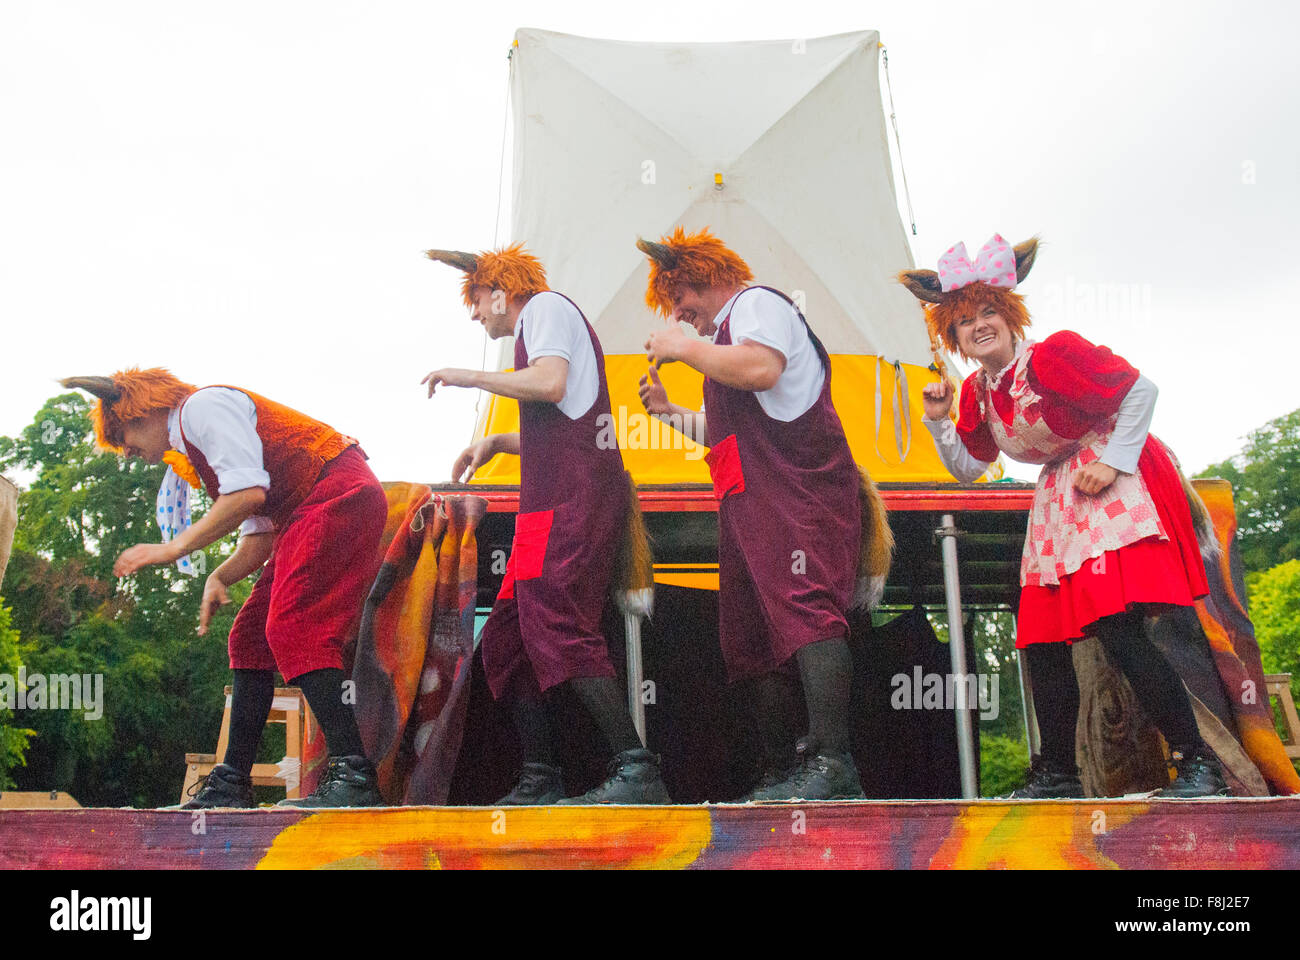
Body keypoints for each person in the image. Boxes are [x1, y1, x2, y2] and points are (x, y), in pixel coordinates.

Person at [901, 233, 1228, 798]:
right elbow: (970, 468)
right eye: (963, 321)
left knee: (1115, 625)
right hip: (1060, 493)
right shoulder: (978, 392)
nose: (979, 326)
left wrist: (1112, 461)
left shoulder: (1053, 355)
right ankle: (1056, 774)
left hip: (1113, 474)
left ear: (1008, 315)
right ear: (951, 336)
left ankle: (1198, 764)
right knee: (1043, 636)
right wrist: (937, 422)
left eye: (988, 312)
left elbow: (1140, 390)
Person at [638, 226, 889, 802]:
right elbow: (731, 430)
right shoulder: (725, 341)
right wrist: (672, 412)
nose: (683, 316)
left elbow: (762, 370)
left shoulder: (757, 305)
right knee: (752, 638)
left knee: (804, 613)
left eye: (682, 303)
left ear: (702, 278)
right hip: (748, 504)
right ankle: (779, 773)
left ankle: (832, 763)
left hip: (797, 497)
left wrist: (682, 346)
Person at [62, 369, 388, 808]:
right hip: (306, 511)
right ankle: (231, 785)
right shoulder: (197, 450)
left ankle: (355, 776)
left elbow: (247, 495)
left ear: (141, 410)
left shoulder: (202, 408)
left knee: (293, 628)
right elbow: (260, 531)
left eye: (124, 437)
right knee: (250, 637)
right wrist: (219, 576)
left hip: (337, 494)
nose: (130, 453)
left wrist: (172, 547)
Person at [423, 244, 670, 805]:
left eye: (478, 298)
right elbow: (560, 416)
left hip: (574, 501)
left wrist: (467, 377)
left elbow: (552, 384)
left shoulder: (546, 309)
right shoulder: (532, 328)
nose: (475, 312)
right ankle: (541, 776)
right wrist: (496, 442)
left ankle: (636, 768)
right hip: (543, 509)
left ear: (503, 292)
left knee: (558, 622)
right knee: (508, 637)